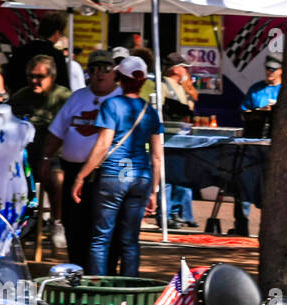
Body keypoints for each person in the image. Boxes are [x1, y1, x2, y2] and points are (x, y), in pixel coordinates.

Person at [71, 56, 165, 276]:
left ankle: (98, 288)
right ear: (142, 82)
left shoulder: (112, 105)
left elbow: (103, 144)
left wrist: (81, 176)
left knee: (101, 237)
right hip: (141, 177)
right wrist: (154, 190)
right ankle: (129, 292)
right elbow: (157, 156)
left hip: (113, 176)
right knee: (130, 239)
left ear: (120, 79)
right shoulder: (150, 112)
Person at [42, 49, 122, 269]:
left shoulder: (121, 99)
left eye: (105, 69)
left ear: (113, 72)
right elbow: (56, 132)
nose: (99, 74)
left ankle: (105, 274)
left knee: (104, 226)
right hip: (74, 170)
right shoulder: (78, 97)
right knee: (74, 224)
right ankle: (77, 269)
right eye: (94, 69)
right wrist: (47, 158)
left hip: (108, 173)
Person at [10, 55, 71, 249]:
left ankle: (57, 222)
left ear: (52, 77)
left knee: (58, 179)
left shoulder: (64, 97)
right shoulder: (21, 96)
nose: (34, 81)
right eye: (31, 76)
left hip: (55, 156)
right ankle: (19, 222)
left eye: (40, 76)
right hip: (25, 157)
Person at [234, 52, 283, 235]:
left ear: (281, 71)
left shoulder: (286, 90)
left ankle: (271, 228)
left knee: (270, 187)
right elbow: (243, 111)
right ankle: (241, 226)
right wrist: (257, 111)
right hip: (252, 142)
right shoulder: (255, 88)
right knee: (244, 182)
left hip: (274, 147)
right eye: (267, 68)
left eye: (273, 69)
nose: (269, 72)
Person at [160, 51, 196, 228]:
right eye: (183, 67)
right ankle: (164, 214)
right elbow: (162, 109)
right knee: (167, 177)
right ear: (175, 69)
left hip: (179, 135)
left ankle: (174, 212)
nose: (186, 70)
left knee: (178, 176)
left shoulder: (179, 87)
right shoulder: (163, 86)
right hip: (167, 136)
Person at [6, 12, 70, 102]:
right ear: (56, 32)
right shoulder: (56, 55)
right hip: (47, 105)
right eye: (61, 34)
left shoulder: (21, 50)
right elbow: (63, 84)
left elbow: (9, 77)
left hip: (20, 103)